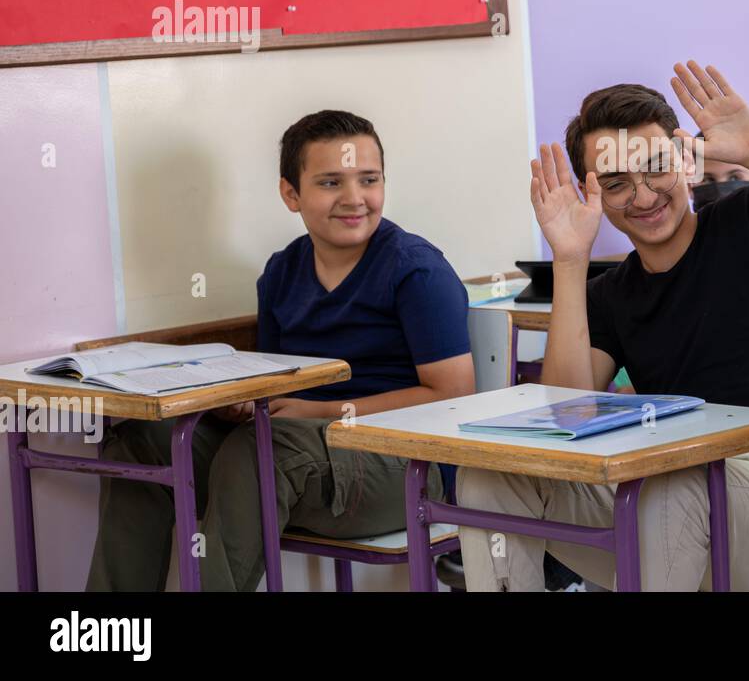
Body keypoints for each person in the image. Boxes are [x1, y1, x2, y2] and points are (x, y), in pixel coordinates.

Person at [455, 61, 749, 591]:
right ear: (595, 195)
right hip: (654, 498)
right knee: (489, 477)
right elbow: (569, 418)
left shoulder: (748, 219)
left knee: (673, 479)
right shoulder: (611, 293)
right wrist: (569, 260)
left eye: (656, 167)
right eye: (616, 183)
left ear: (683, 159)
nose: (645, 195)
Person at [87, 110, 474, 591]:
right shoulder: (282, 272)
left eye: (368, 180)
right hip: (303, 457)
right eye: (331, 182)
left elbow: (455, 395)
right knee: (144, 442)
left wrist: (319, 411)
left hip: (404, 469)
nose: (354, 198)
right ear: (291, 194)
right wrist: (244, 404)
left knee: (265, 449)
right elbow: (274, 384)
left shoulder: (415, 271)